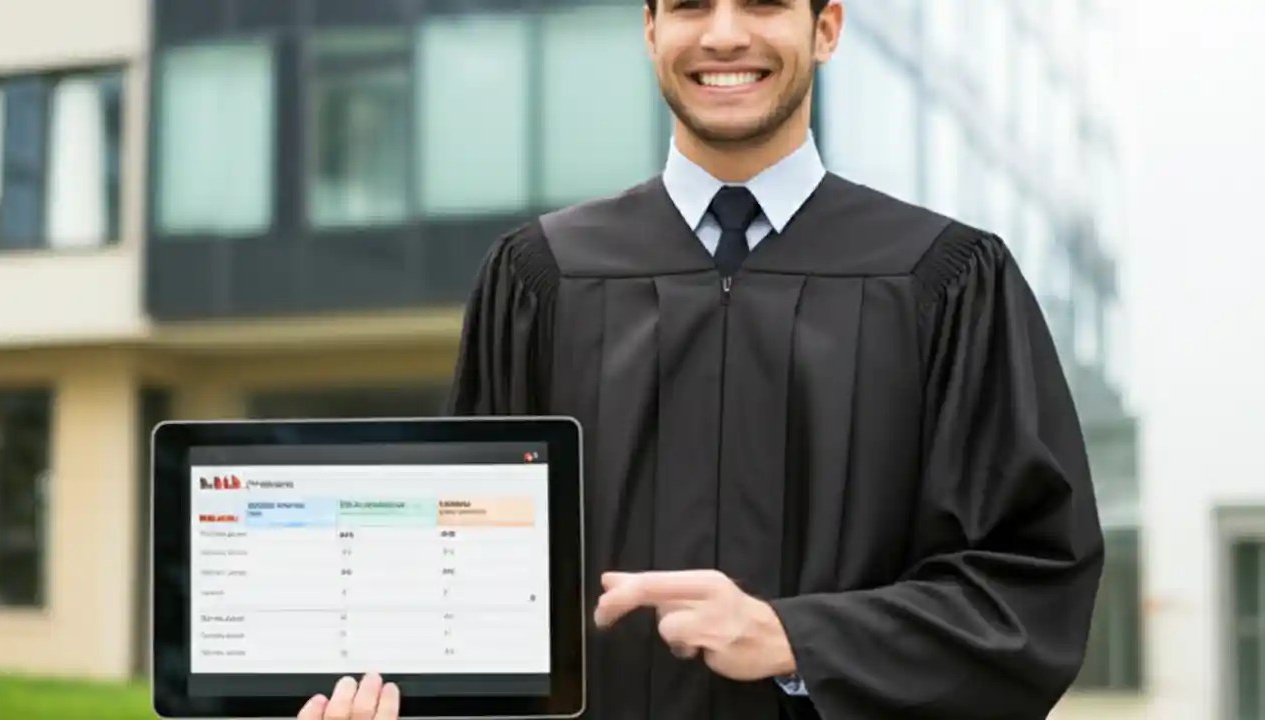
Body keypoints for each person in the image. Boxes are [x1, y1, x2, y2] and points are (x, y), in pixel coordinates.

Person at [305, 0, 1105, 718]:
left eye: (762, 3)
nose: (724, 35)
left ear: (826, 29)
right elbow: (468, 591)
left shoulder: (944, 281)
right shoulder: (539, 279)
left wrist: (798, 640)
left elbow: (1025, 586)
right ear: (651, 31)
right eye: (691, 6)